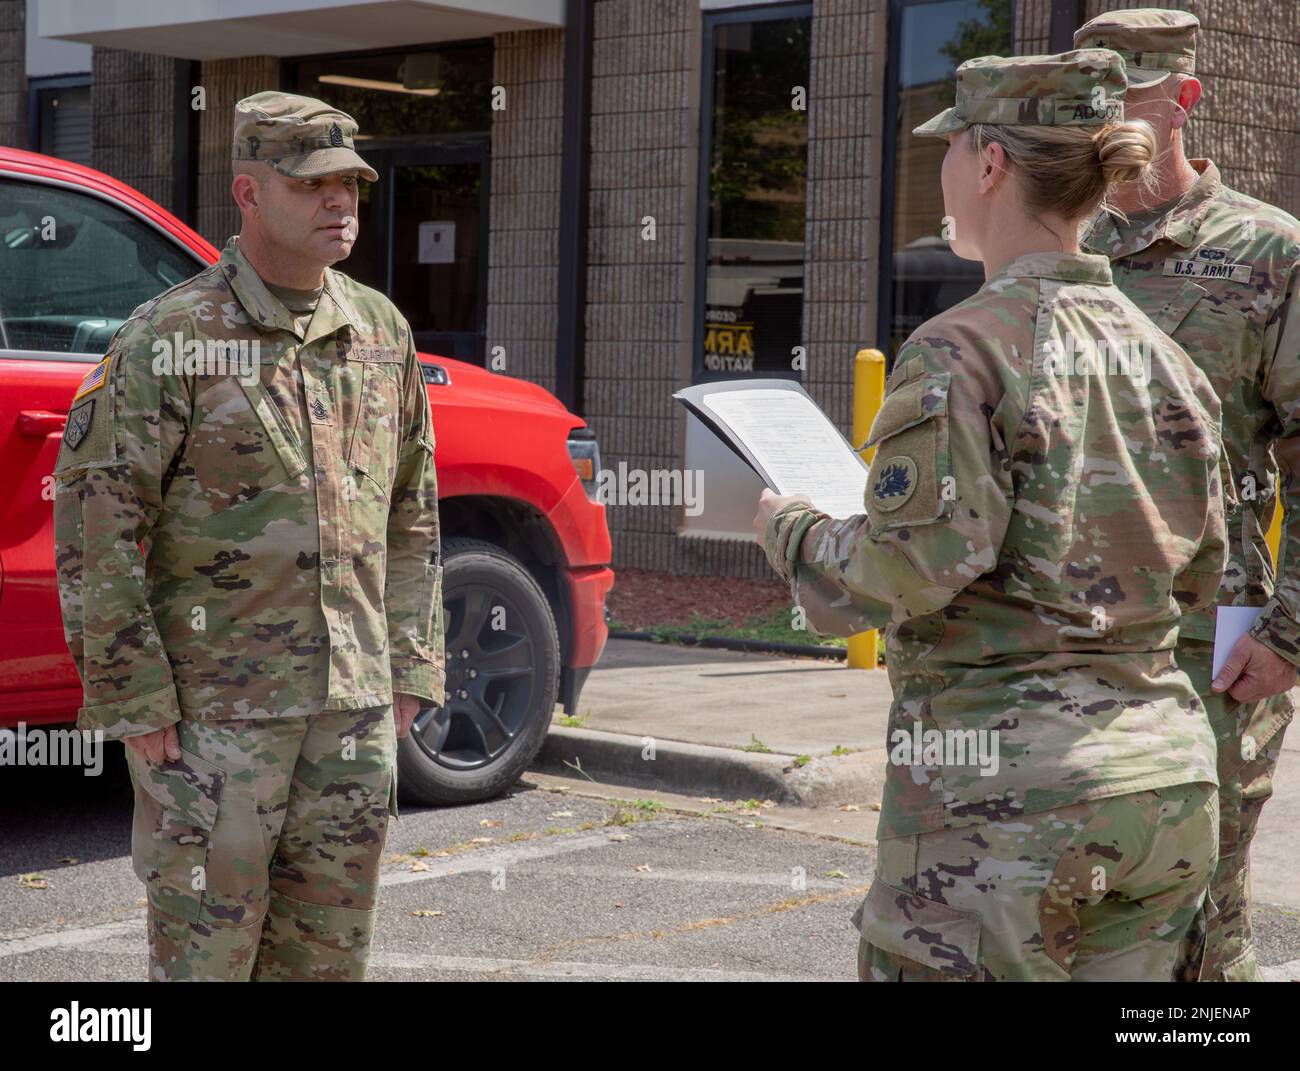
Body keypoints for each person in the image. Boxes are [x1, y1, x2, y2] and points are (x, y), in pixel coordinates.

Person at [754, 50, 1229, 981]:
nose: (940, 169)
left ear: (991, 164)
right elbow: (1205, 569)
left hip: (1003, 801)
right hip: (1167, 788)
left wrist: (792, 528)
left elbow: (911, 566)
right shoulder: (1170, 358)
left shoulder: (958, 348)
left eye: (949, 147)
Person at [51, 91, 444, 981]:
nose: (338, 202)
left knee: (327, 962)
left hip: (352, 717)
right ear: (249, 191)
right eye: (312, 184)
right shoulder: (171, 338)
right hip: (215, 726)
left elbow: (413, 512)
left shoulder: (381, 333)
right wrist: (135, 699)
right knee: (206, 960)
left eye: (350, 183)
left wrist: (412, 668)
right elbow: (97, 527)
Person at [1075, 9, 1299, 982]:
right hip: (1065, 650)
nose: (1110, 119)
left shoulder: (1267, 252)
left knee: (1199, 933)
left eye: (1132, 95)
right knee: (1065, 922)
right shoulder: (1058, 253)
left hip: (1211, 649)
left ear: (1184, 100)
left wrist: (1289, 635)